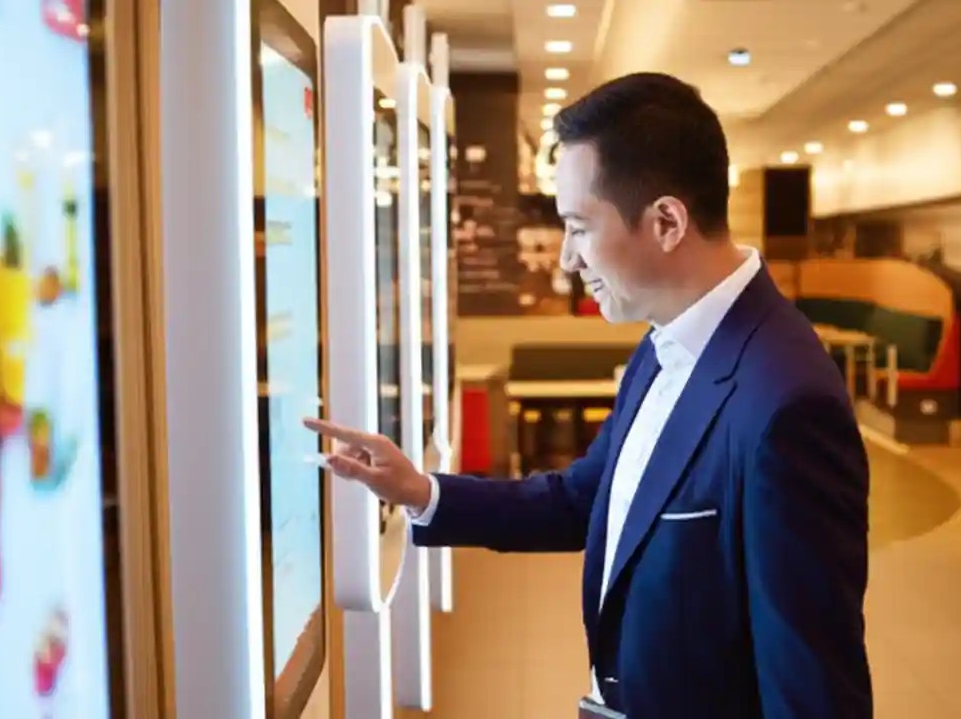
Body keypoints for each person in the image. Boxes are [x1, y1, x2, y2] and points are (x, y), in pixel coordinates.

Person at [306, 72, 872, 718]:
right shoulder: (665, 346)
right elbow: (584, 500)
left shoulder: (787, 401)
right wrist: (422, 492)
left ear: (666, 221)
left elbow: (812, 680)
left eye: (578, 226)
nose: (568, 259)